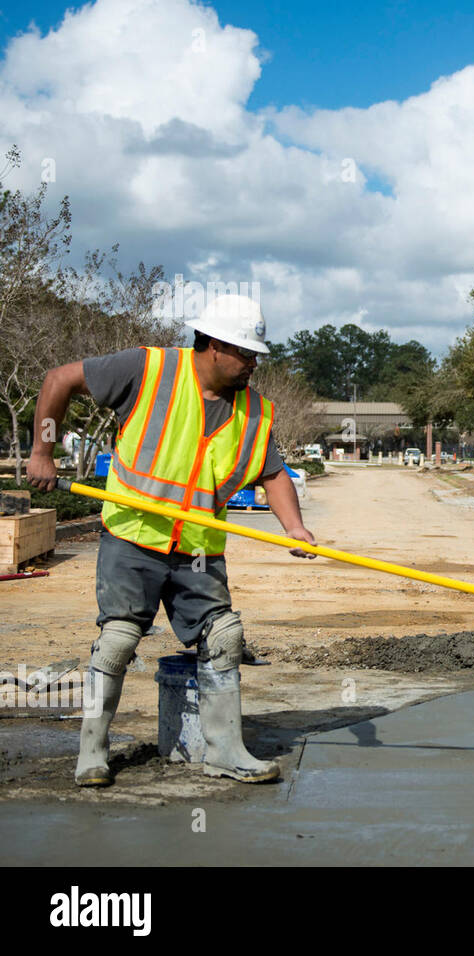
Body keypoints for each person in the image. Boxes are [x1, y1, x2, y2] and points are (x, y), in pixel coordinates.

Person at [26, 294, 316, 786]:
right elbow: (58, 379)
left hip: (199, 550)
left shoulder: (257, 412)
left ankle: (225, 752)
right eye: (244, 353)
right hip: (132, 537)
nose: (252, 364)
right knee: (117, 642)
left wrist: (294, 527)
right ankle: (92, 754)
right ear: (212, 345)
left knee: (224, 639)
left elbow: (273, 474)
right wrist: (42, 452)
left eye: (255, 355)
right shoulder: (148, 369)